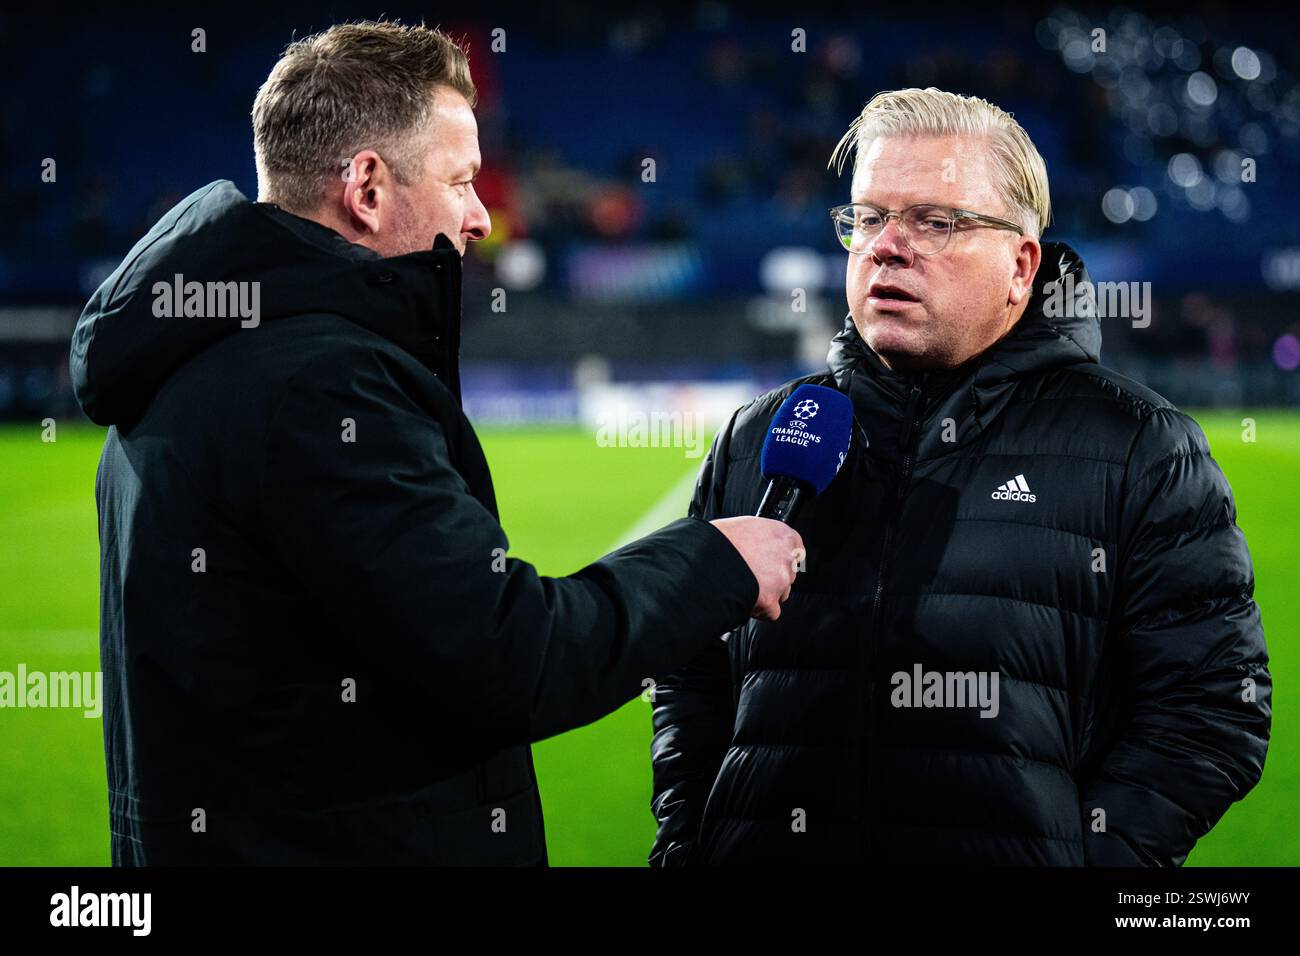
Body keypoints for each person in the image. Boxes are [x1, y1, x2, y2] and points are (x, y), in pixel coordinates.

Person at [69, 20, 802, 865]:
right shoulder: (319, 384)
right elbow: (509, 658)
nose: (483, 216)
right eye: (461, 181)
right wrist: (713, 564)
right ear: (369, 188)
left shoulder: (184, 359)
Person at [649, 87, 1271, 866]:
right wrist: (685, 846)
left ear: (1021, 264)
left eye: (936, 222)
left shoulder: (1140, 447)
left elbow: (1214, 708)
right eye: (868, 217)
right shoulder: (759, 437)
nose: (887, 245)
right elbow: (689, 673)